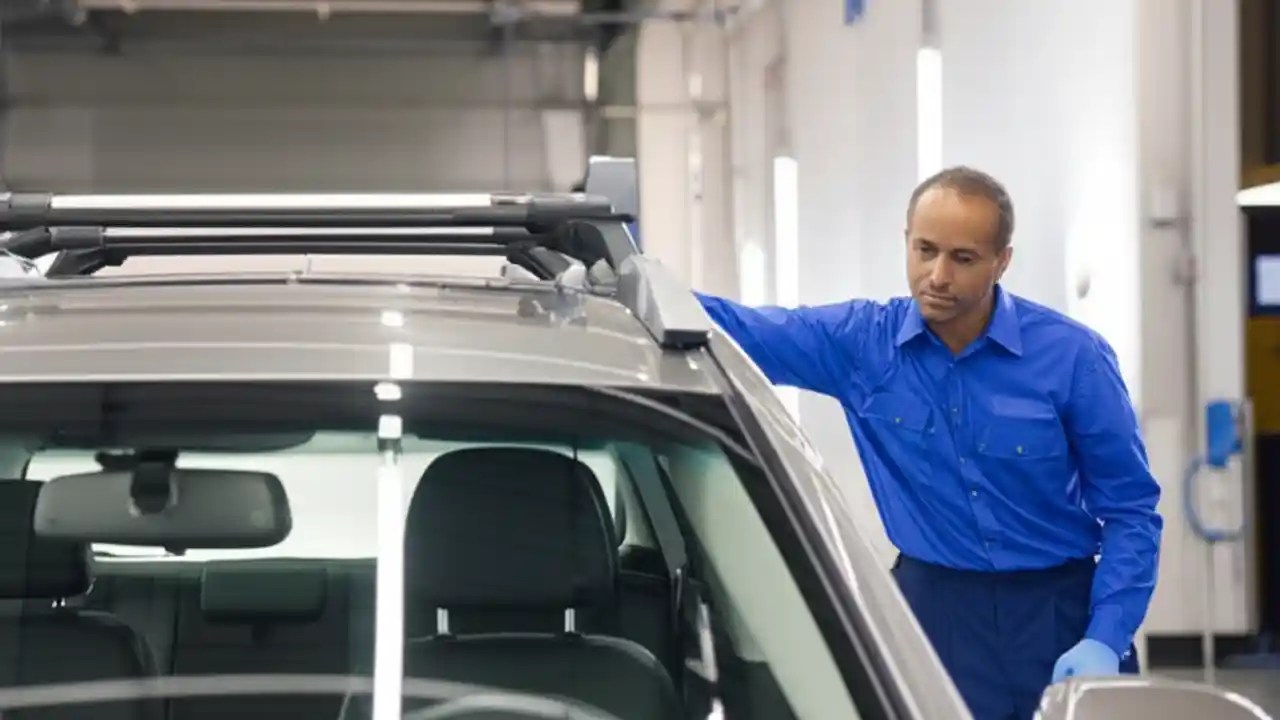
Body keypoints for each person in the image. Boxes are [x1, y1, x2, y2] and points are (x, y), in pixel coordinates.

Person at [695, 166, 1162, 720]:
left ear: (1002, 261)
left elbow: (1131, 509)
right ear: (907, 241)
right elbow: (729, 327)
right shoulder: (861, 345)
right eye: (925, 251)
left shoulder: (1073, 358)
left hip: (1058, 613)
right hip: (935, 617)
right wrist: (621, 273)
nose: (937, 275)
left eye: (963, 258)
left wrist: (1105, 636)